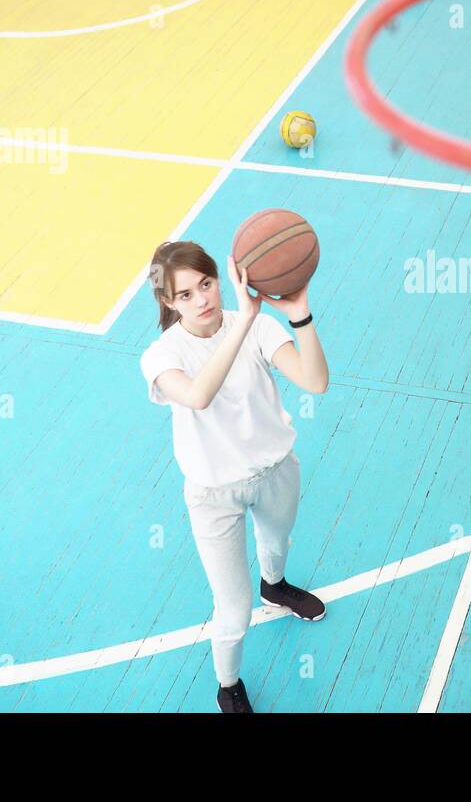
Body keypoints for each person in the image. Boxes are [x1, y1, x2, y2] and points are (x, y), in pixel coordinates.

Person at [139, 240, 329, 713]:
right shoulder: (162, 355)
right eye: (185, 295)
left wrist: (300, 314)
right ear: (168, 303)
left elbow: (315, 381)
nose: (202, 299)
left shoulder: (262, 327)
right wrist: (242, 321)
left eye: (206, 284)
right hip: (213, 493)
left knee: (277, 543)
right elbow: (199, 396)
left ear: (219, 279)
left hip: (276, 470)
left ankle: (276, 585)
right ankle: (228, 685)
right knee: (233, 610)